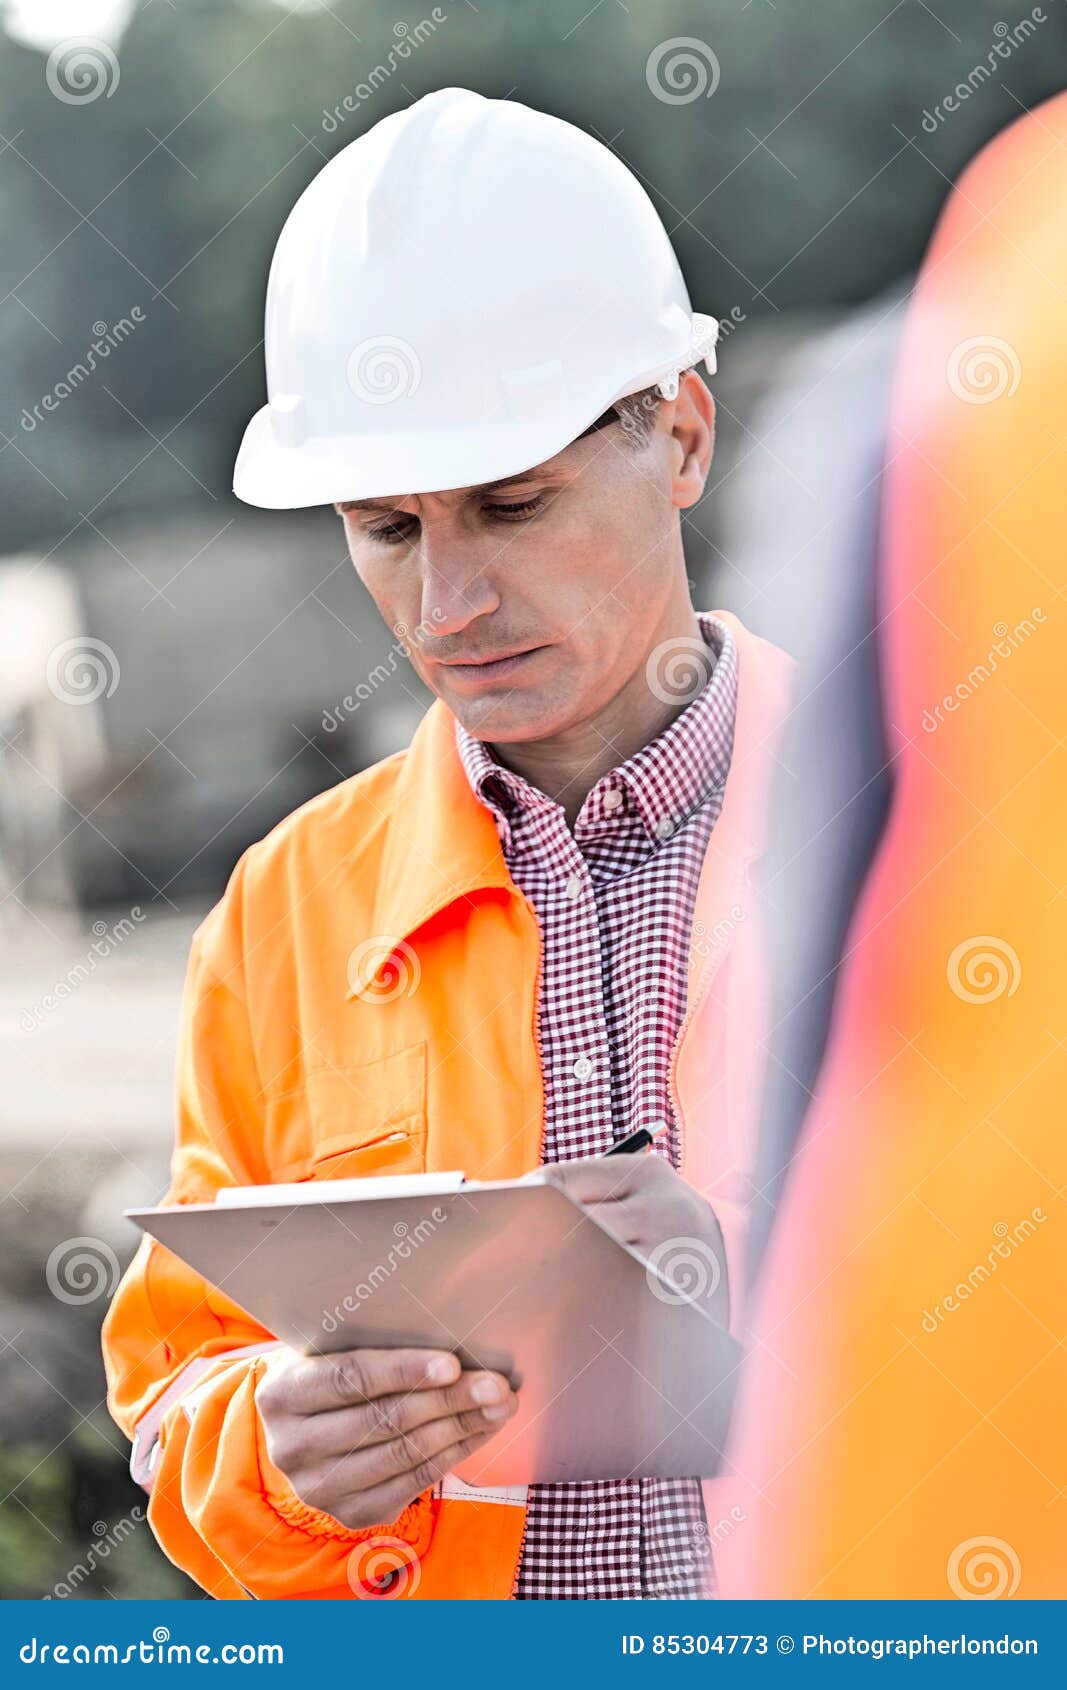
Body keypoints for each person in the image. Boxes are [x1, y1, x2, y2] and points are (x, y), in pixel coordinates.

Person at [101, 86, 793, 1602]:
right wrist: (277, 1456)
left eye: (512, 504)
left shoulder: (932, 823)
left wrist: (776, 1271)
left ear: (679, 431)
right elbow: (177, 1391)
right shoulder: (288, 913)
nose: (446, 607)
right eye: (390, 528)